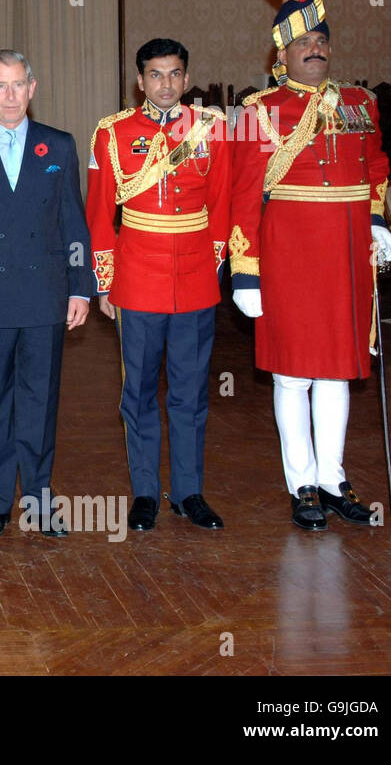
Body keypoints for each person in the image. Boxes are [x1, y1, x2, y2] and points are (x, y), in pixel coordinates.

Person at [229, 0, 391, 531]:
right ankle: (300, 481)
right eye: (304, 41)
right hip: (288, 260)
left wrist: (378, 221)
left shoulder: (360, 104)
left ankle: (333, 477)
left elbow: (375, 168)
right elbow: (244, 195)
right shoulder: (254, 113)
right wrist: (245, 272)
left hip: (347, 257)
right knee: (294, 373)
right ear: (281, 56)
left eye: (322, 39)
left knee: (338, 372)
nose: (316, 48)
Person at [0, 49, 92, 538]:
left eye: (18, 84)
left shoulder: (60, 146)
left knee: (39, 405)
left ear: (33, 87)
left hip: (44, 296)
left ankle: (40, 503)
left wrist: (81, 289)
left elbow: (74, 222)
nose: (10, 95)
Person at [86, 38, 229, 532]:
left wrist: (211, 271)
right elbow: (100, 215)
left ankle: (189, 492)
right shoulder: (113, 132)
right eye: (155, 74)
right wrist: (104, 283)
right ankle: (145, 492)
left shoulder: (212, 129)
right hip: (138, 278)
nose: (165, 84)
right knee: (140, 392)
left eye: (174, 74)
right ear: (140, 80)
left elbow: (222, 204)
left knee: (190, 393)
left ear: (186, 79)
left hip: (194, 278)